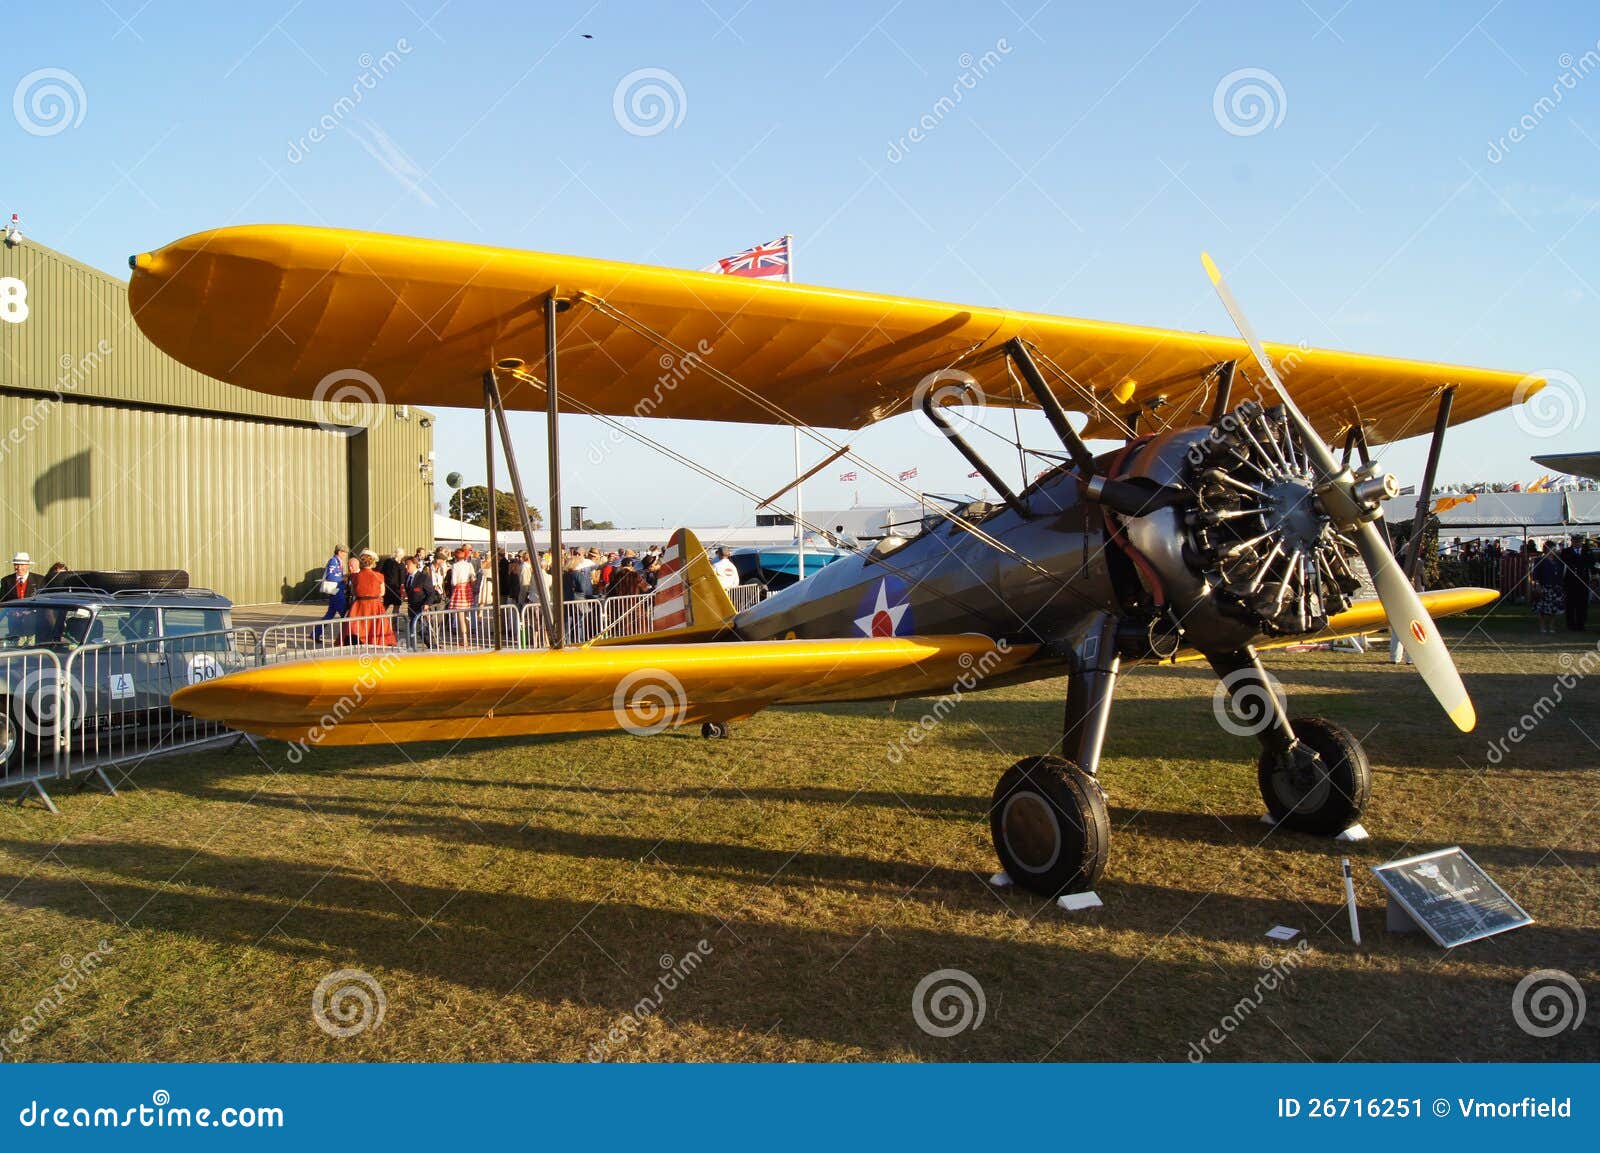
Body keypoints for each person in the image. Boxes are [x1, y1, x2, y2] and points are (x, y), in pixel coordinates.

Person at [346, 555, 397, 646]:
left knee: (357, 627)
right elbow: (382, 592)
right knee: (376, 626)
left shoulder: (355, 576)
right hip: (374, 605)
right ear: (372, 563)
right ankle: (374, 643)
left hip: (359, 605)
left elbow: (354, 592)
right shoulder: (379, 576)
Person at [312, 545, 350, 643]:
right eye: (344, 552)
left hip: (336, 591)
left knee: (329, 615)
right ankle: (348, 637)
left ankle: (315, 633)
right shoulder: (334, 561)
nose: (345, 555)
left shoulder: (338, 561)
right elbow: (330, 576)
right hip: (336, 591)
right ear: (339, 552)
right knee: (345, 615)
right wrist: (343, 578)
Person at [1531, 541, 1565, 635]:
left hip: (1556, 587)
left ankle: (1552, 626)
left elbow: (1562, 574)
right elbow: (1535, 574)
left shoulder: (1558, 561)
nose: (1554, 550)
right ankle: (1542, 626)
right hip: (1544, 587)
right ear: (1546, 549)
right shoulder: (1539, 560)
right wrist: (1537, 585)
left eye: (1554, 548)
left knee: (1554, 609)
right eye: (1551, 548)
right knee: (1542, 609)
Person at [1560, 536, 1590, 632]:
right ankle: (1571, 625)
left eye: (1579, 541)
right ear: (1572, 542)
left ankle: (1581, 624)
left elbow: (1591, 564)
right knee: (1570, 604)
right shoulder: (1566, 551)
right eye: (1575, 541)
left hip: (1583, 581)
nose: (1577, 543)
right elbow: (1565, 562)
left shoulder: (1587, 551)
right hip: (1570, 581)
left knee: (1582, 604)